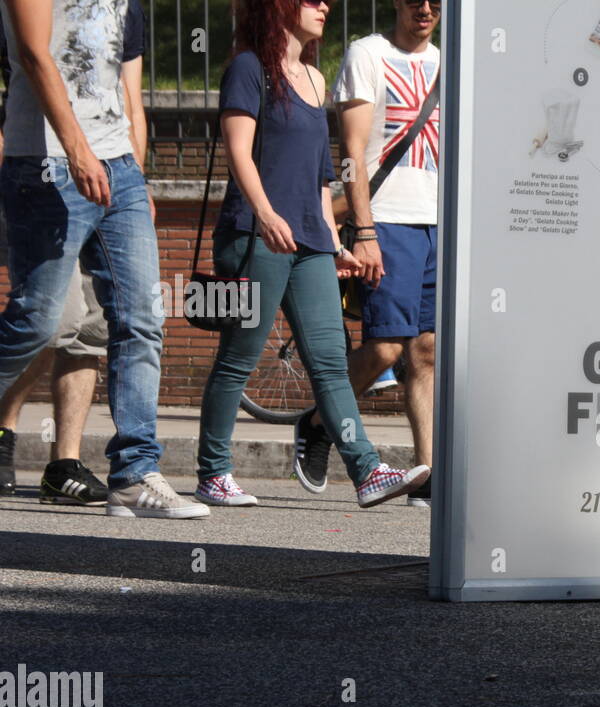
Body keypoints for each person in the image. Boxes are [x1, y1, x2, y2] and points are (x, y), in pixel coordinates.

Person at [195, 0, 429, 509]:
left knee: (329, 363)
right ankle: (213, 473)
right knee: (238, 359)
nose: (324, 7)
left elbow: (323, 175)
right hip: (254, 237)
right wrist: (264, 213)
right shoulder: (248, 67)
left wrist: (335, 242)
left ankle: (366, 471)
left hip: (311, 244)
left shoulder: (315, 80)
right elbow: (238, 150)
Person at [0, 0, 205, 518]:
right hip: (46, 164)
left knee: (141, 318)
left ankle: (134, 475)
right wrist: (77, 150)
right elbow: (32, 53)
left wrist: (136, 176)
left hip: (119, 168)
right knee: (39, 321)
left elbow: (125, 91)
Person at [293, 0, 442, 507]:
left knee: (427, 352)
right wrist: (364, 228)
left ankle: (428, 479)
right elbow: (352, 154)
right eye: (415, 0)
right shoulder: (367, 54)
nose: (425, 9)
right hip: (387, 217)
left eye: (437, 2)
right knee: (384, 349)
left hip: (438, 221)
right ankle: (316, 422)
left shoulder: (450, 62)